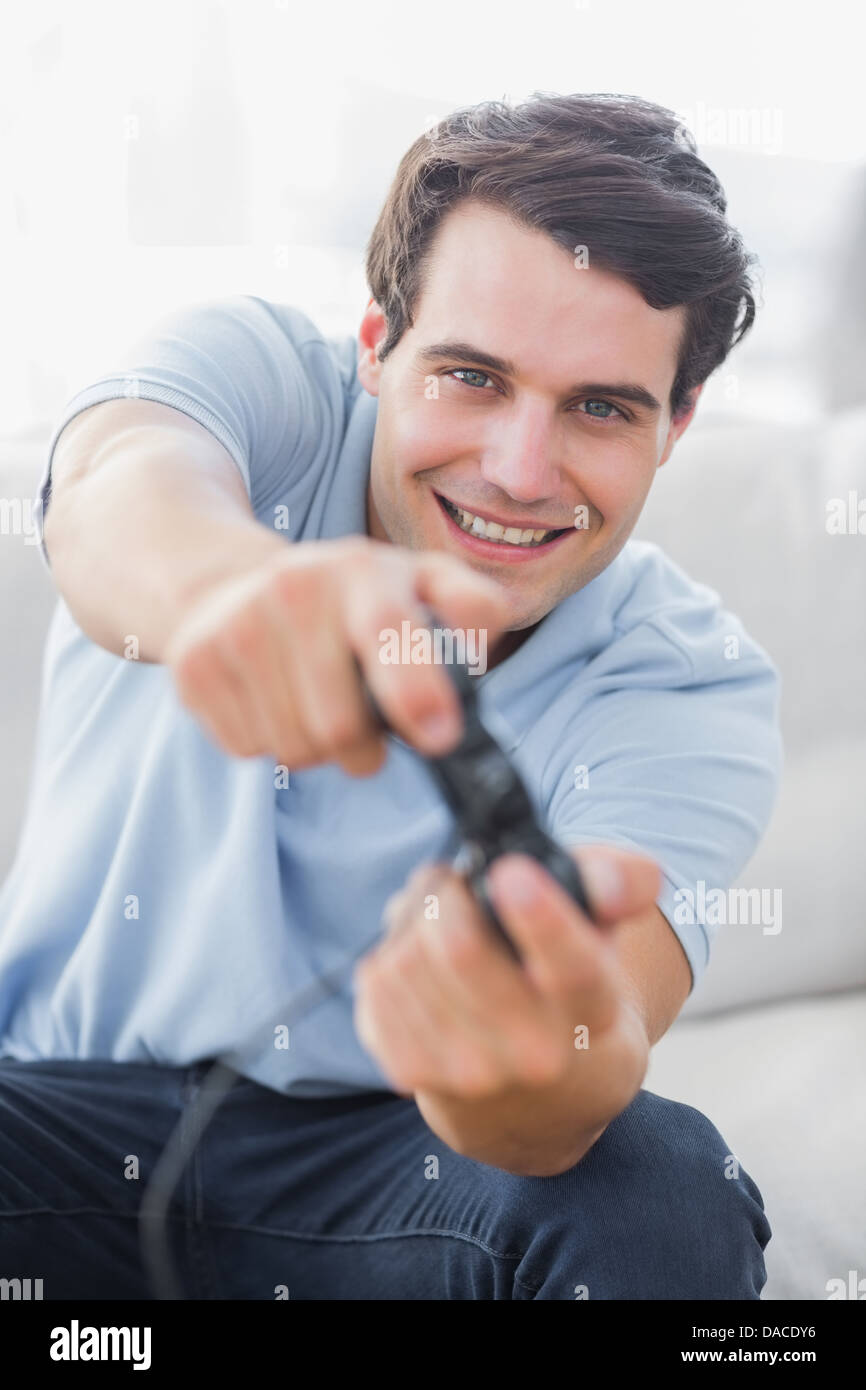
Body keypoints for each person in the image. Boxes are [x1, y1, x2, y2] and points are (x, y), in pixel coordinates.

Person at [0, 92, 781, 1300]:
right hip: (48, 1127)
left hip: (390, 1172)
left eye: (599, 408)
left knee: (657, 1182)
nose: (518, 474)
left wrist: (513, 1062)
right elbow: (114, 489)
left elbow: (581, 1068)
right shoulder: (255, 376)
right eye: (470, 376)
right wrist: (239, 597)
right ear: (375, 344)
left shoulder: (688, 680)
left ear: (675, 425)